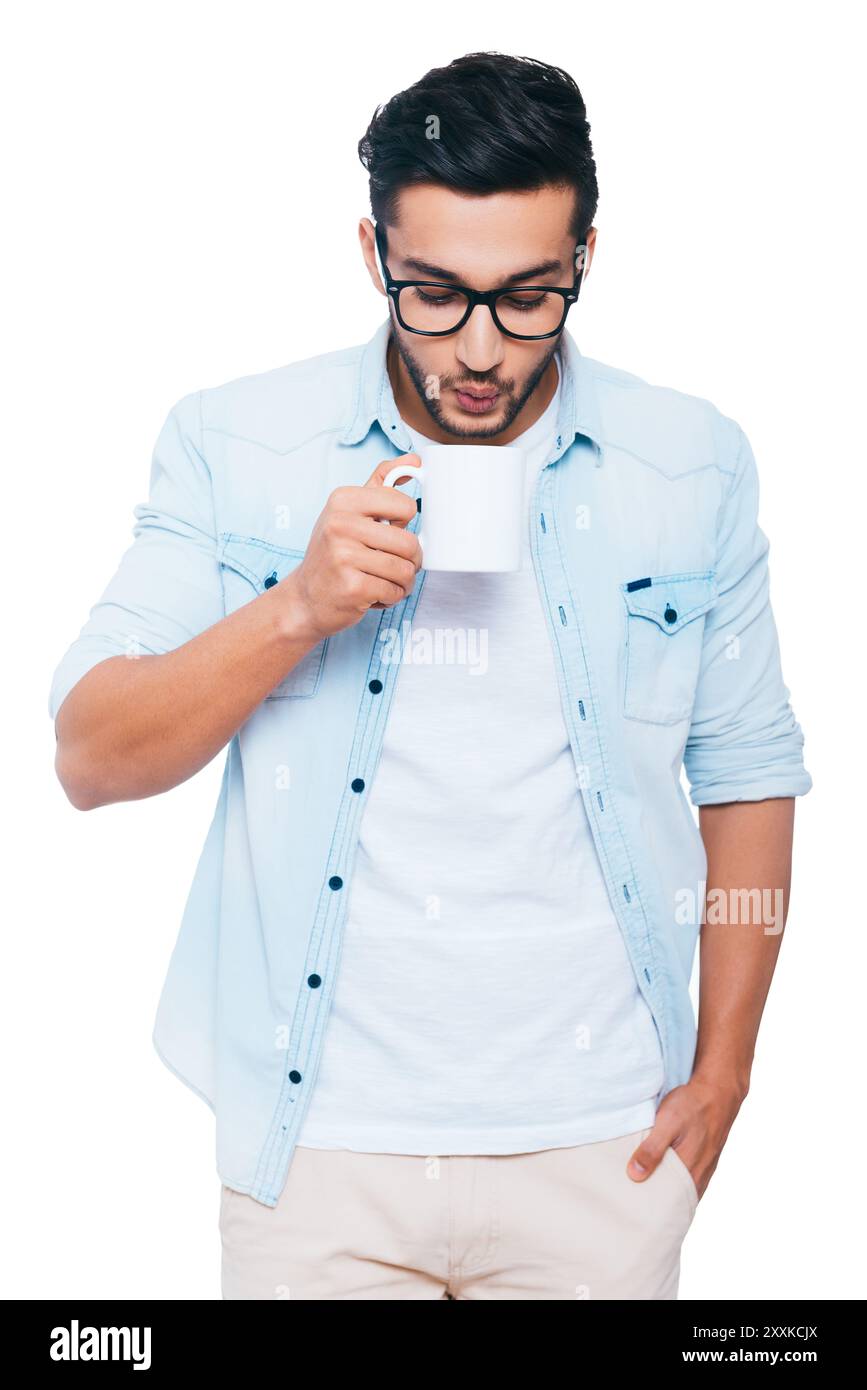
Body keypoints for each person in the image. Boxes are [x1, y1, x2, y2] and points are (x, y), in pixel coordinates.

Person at [49, 52, 812, 1300]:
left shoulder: (690, 462)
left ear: (585, 261)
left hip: (601, 1146)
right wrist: (296, 608)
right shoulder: (237, 444)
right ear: (371, 252)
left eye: (526, 298)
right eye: (434, 294)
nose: (477, 348)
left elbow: (747, 775)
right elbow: (91, 755)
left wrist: (725, 1069)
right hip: (317, 1155)